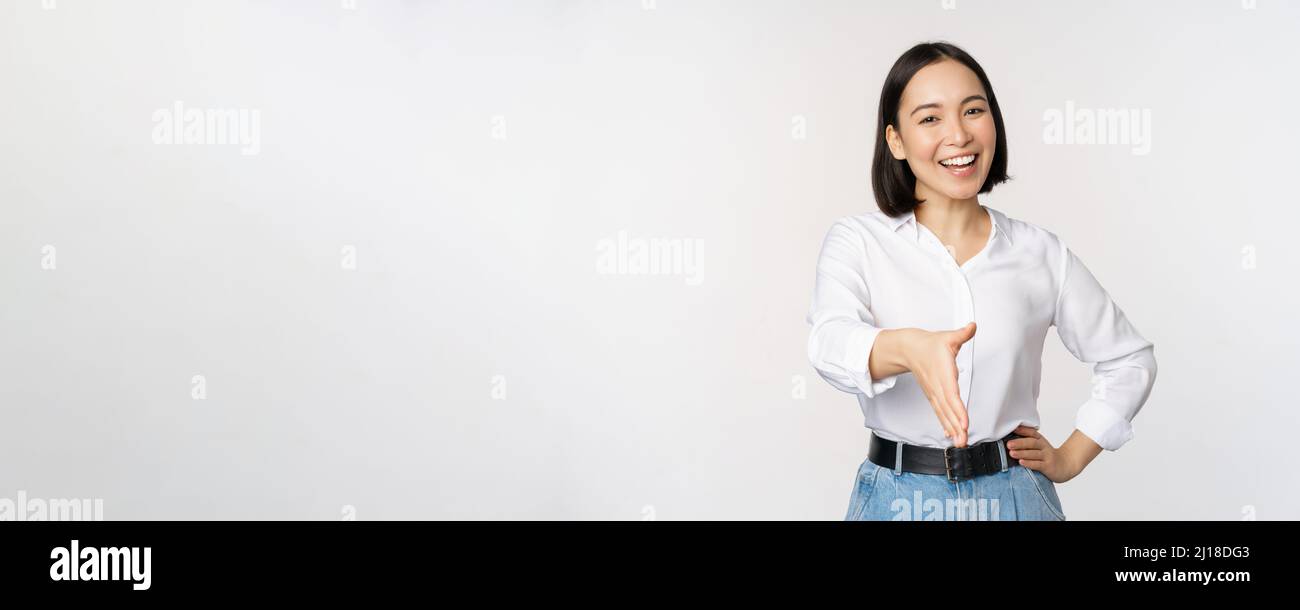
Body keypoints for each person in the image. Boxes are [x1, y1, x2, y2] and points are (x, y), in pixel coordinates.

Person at [806, 41, 1157, 521]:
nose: (958, 134)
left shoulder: (1040, 253)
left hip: (1016, 497)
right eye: (930, 118)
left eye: (973, 110)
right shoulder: (859, 241)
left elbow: (1127, 359)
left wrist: (1072, 455)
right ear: (896, 141)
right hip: (895, 499)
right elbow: (828, 342)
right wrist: (909, 348)